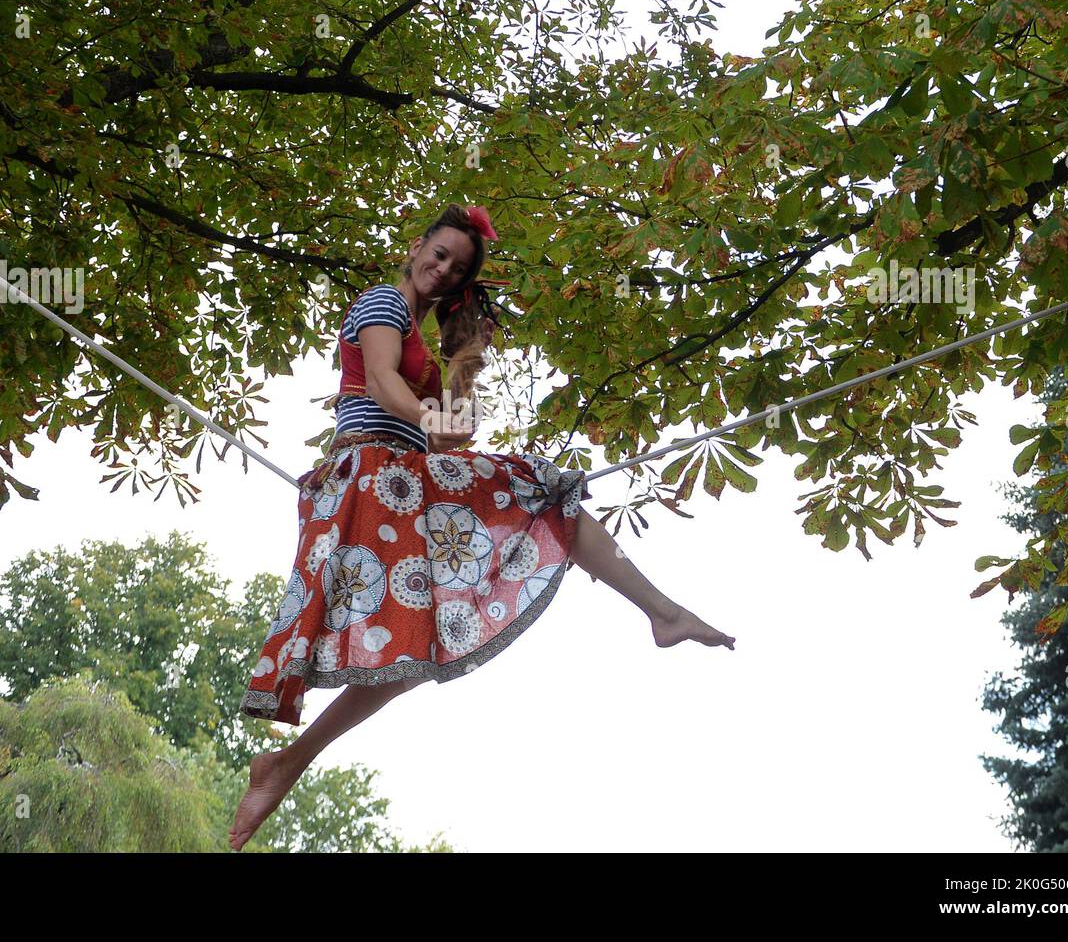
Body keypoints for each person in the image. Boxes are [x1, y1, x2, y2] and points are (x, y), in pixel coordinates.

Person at [229, 203, 734, 851]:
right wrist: (429, 415)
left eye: (458, 269)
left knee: (418, 650)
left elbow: (453, 436)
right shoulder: (383, 303)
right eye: (438, 255)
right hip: (369, 476)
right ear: (415, 248)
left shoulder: (432, 355)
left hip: (407, 483)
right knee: (537, 486)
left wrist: (467, 353)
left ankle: (286, 763)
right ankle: (662, 611)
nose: (442, 271)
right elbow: (383, 382)